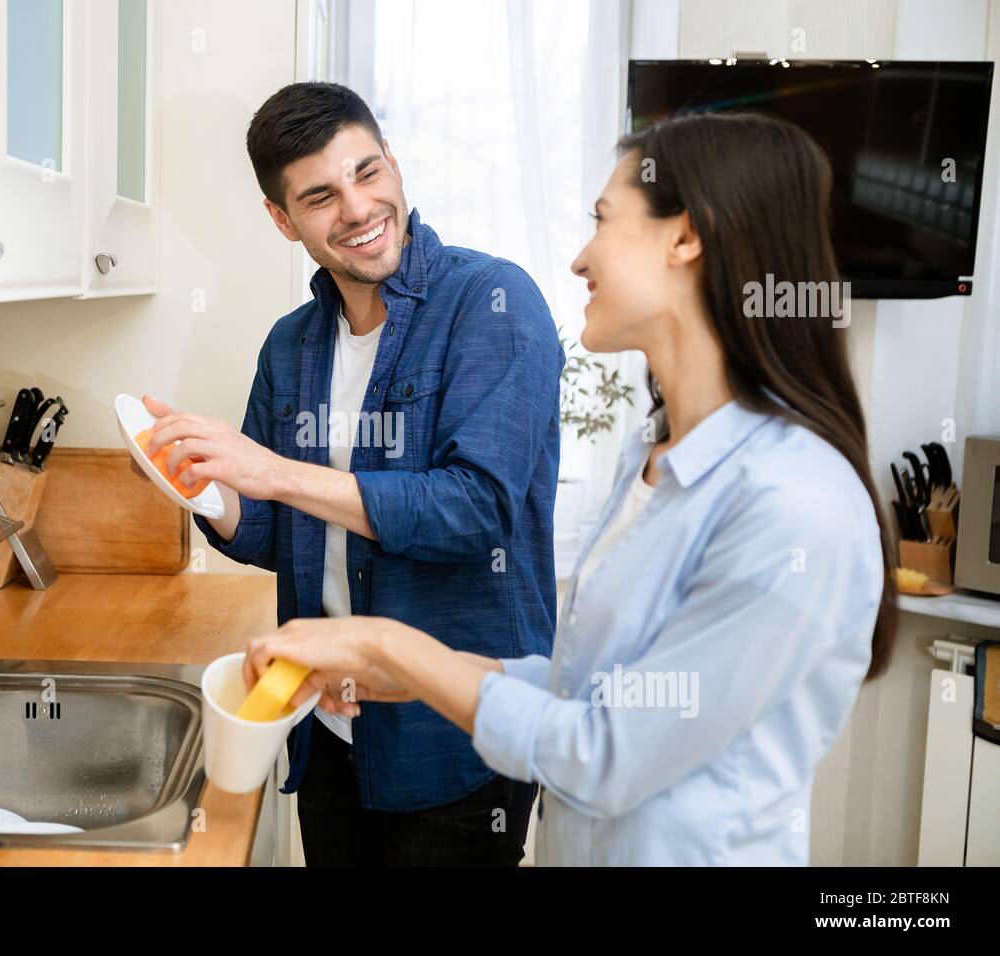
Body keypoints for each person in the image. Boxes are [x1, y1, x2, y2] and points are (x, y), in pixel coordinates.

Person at [241, 111, 897, 866]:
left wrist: (384, 641)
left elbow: (605, 751)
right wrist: (411, 673)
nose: (581, 259)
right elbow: (588, 683)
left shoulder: (792, 504)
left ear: (687, 237)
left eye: (603, 221)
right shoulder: (654, 460)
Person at [141, 82, 564, 865]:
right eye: (321, 196)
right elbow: (276, 533)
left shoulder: (494, 304)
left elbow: (475, 512)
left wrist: (275, 472)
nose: (360, 208)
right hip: (325, 726)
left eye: (368, 173)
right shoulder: (292, 346)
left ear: (394, 164)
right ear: (283, 219)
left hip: (455, 745)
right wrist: (205, 487)